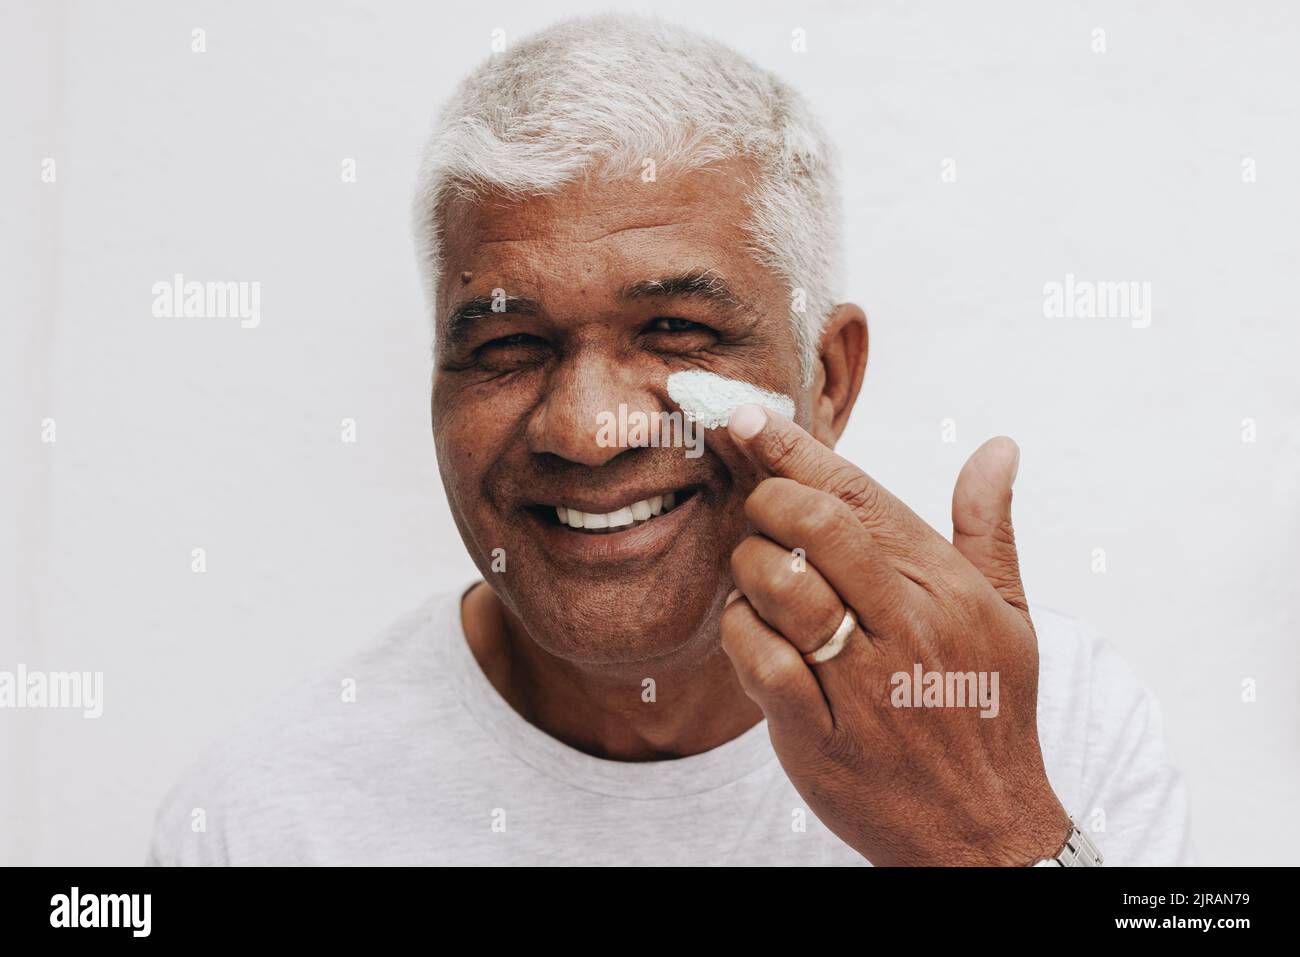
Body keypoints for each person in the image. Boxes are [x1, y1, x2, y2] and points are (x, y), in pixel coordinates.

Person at [149, 13, 1192, 866]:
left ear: (825, 380)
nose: (586, 431)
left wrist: (992, 840)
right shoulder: (263, 818)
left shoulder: (1043, 727)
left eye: (676, 333)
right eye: (510, 344)